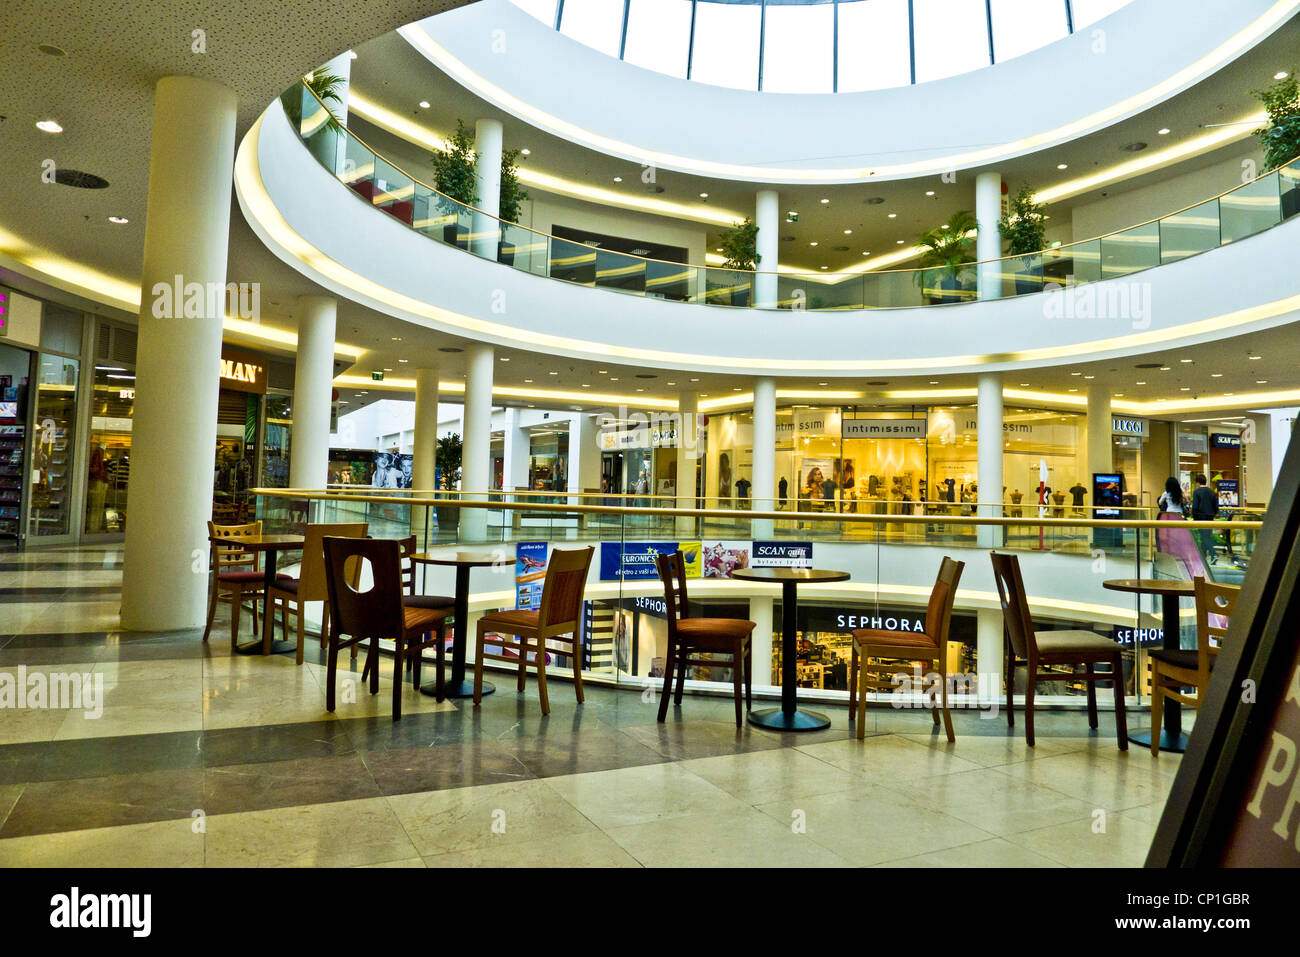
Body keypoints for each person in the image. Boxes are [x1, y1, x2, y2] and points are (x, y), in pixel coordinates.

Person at [1191, 472, 1219, 563]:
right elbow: (1216, 507)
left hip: (1200, 517)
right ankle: (1202, 558)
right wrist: (1213, 514)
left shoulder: (1196, 492)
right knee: (1206, 536)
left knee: (1204, 537)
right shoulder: (1211, 492)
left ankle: (1213, 553)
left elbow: (1195, 507)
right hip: (1210, 517)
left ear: (1198, 482)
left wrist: (1194, 517)